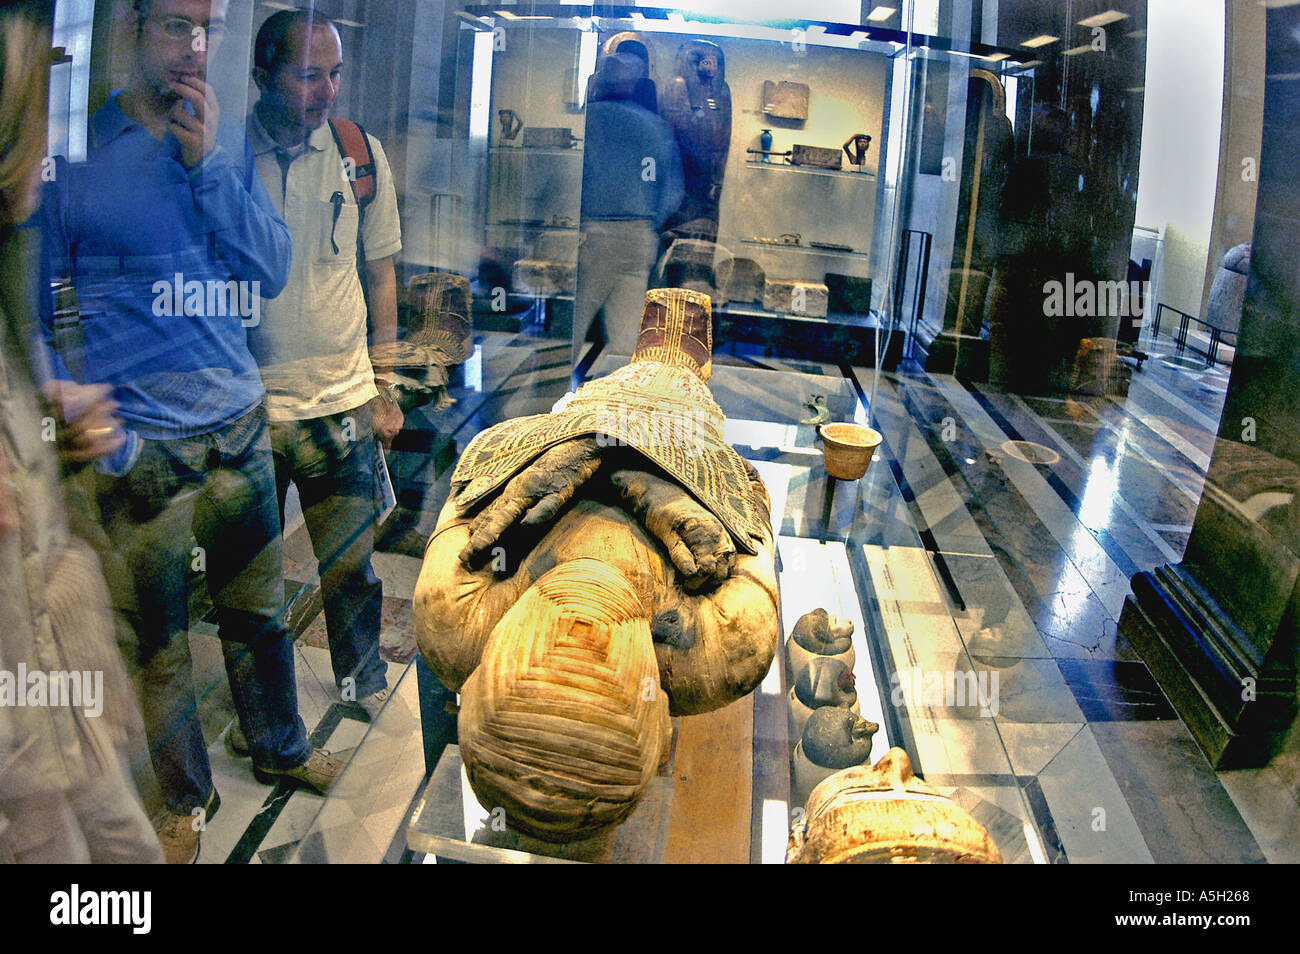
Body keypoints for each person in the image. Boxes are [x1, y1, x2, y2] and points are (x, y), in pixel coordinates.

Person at [40, 0, 342, 864]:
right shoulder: (80, 154)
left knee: (258, 614)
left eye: (207, 28)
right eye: (177, 26)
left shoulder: (223, 138)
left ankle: (279, 745)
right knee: (163, 644)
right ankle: (185, 799)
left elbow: (272, 266)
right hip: (149, 443)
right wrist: (91, 418)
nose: (196, 47)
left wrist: (209, 163)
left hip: (237, 426)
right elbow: (30, 311)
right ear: (130, 29)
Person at [0, 0, 161, 864]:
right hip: (16, 728)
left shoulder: (10, 256)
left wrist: (50, 414)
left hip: (59, 673)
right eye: (31, 124)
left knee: (123, 853)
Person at [240, 9, 402, 730]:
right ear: (262, 75)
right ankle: (264, 720)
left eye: (335, 73)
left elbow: (383, 274)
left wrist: (387, 387)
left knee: (350, 565)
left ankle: (361, 681)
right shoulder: (224, 157)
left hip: (341, 401)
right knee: (250, 586)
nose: (327, 89)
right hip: (249, 412)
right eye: (309, 74)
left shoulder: (358, 154)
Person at [572, 52, 684, 370]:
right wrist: (651, 221)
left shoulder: (588, 119)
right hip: (639, 236)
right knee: (626, 335)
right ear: (634, 84)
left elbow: (565, 175)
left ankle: (548, 405)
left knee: (574, 325)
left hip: (594, 234)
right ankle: (616, 407)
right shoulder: (653, 126)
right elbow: (673, 190)